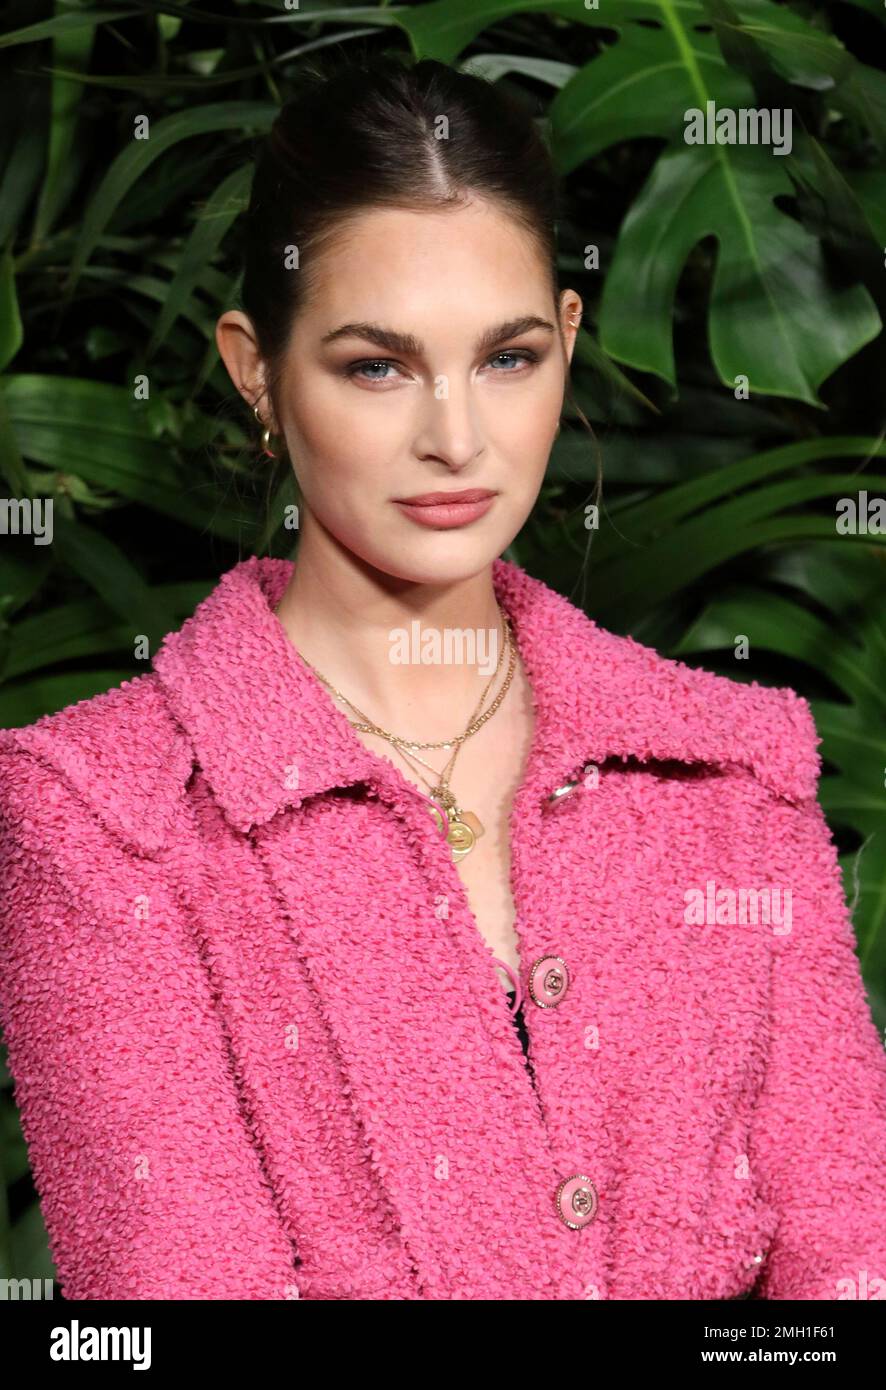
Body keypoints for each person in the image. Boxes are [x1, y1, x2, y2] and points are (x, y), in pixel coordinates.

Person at [1, 55, 885, 1303]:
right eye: (377, 365)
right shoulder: (101, 816)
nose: (456, 438)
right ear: (255, 367)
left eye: (507, 357)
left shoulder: (732, 771)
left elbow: (852, 1267)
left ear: (568, 342)